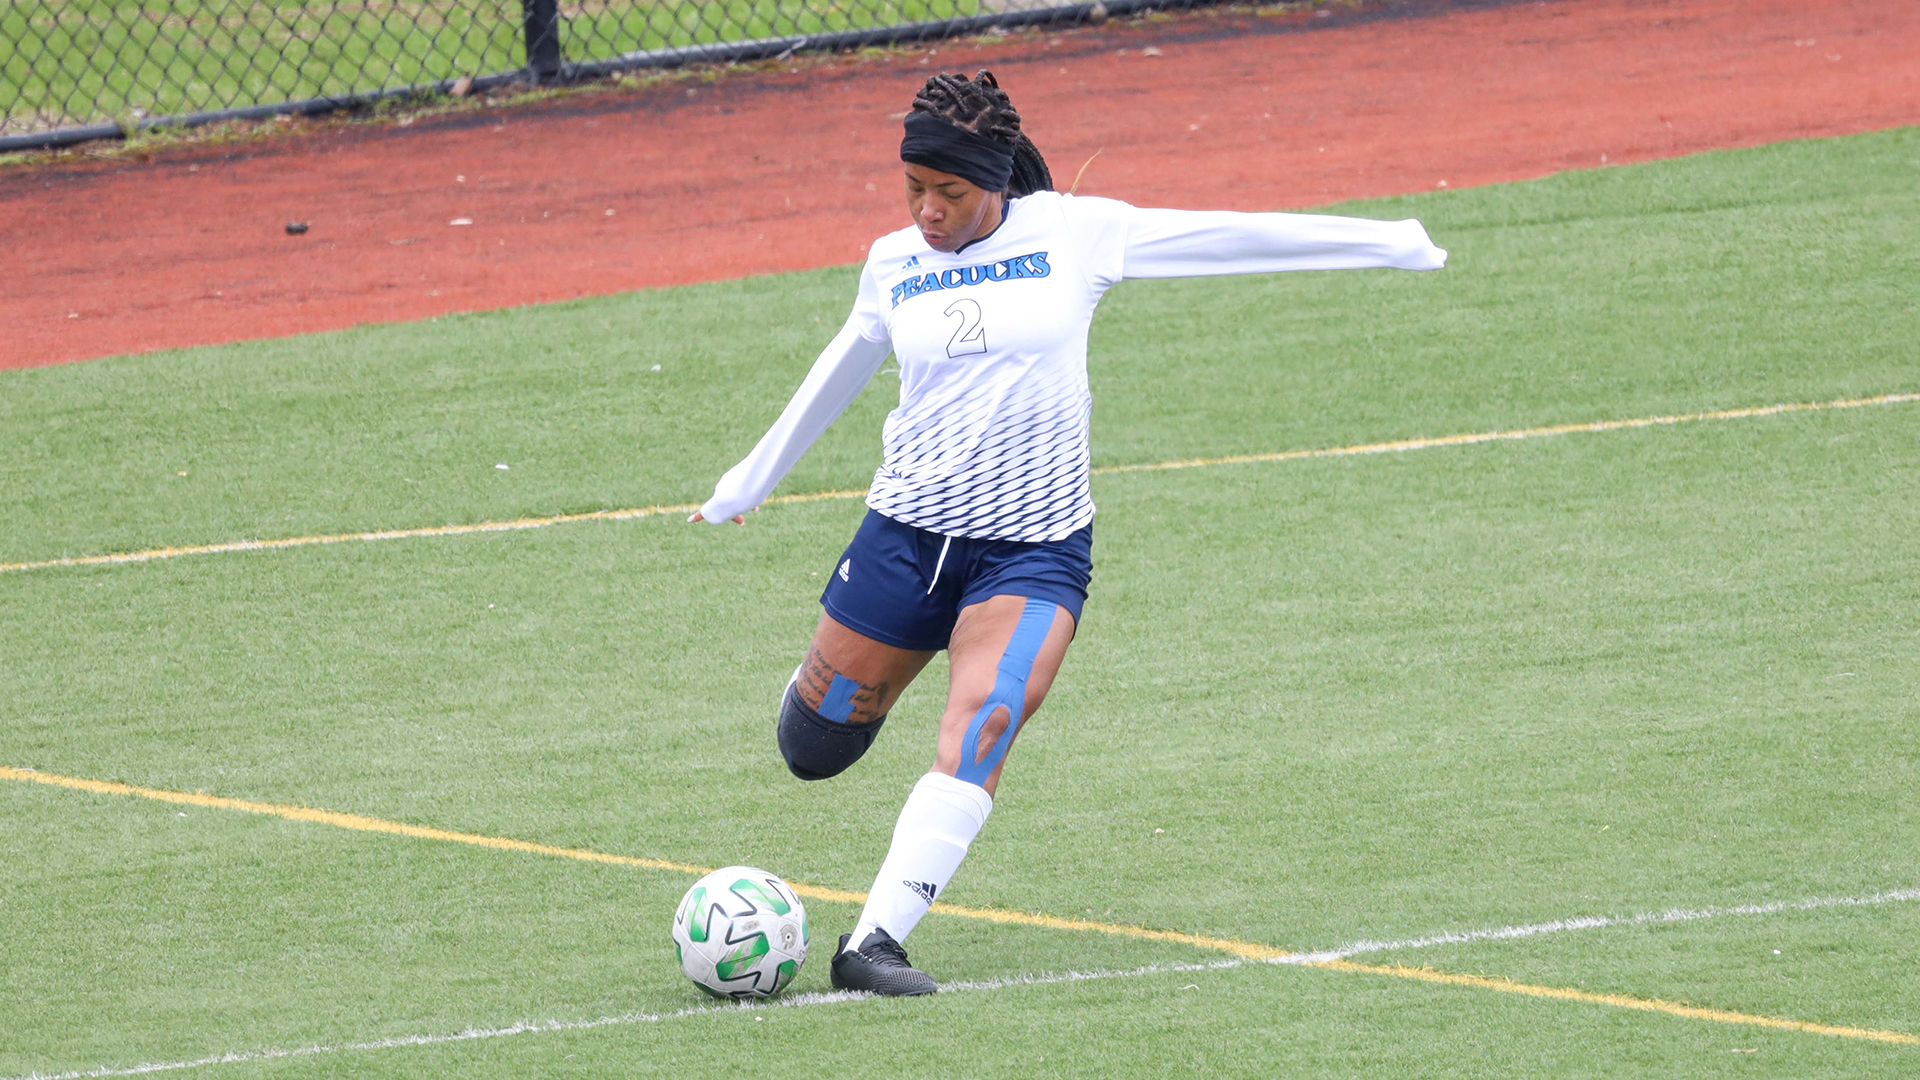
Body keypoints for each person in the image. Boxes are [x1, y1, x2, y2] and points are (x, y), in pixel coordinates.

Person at [692, 70, 1446, 996]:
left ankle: (873, 943)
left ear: (997, 179)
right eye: (914, 191)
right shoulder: (893, 263)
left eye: (951, 193)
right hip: (906, 539)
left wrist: (1389, 242)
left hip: (1035, 553)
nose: (928, 211)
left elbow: (1226, 236)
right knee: (814, 750)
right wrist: (745, 483)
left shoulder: (1075, 235)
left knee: (988, 721)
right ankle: (840, 694)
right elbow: (838, 371)